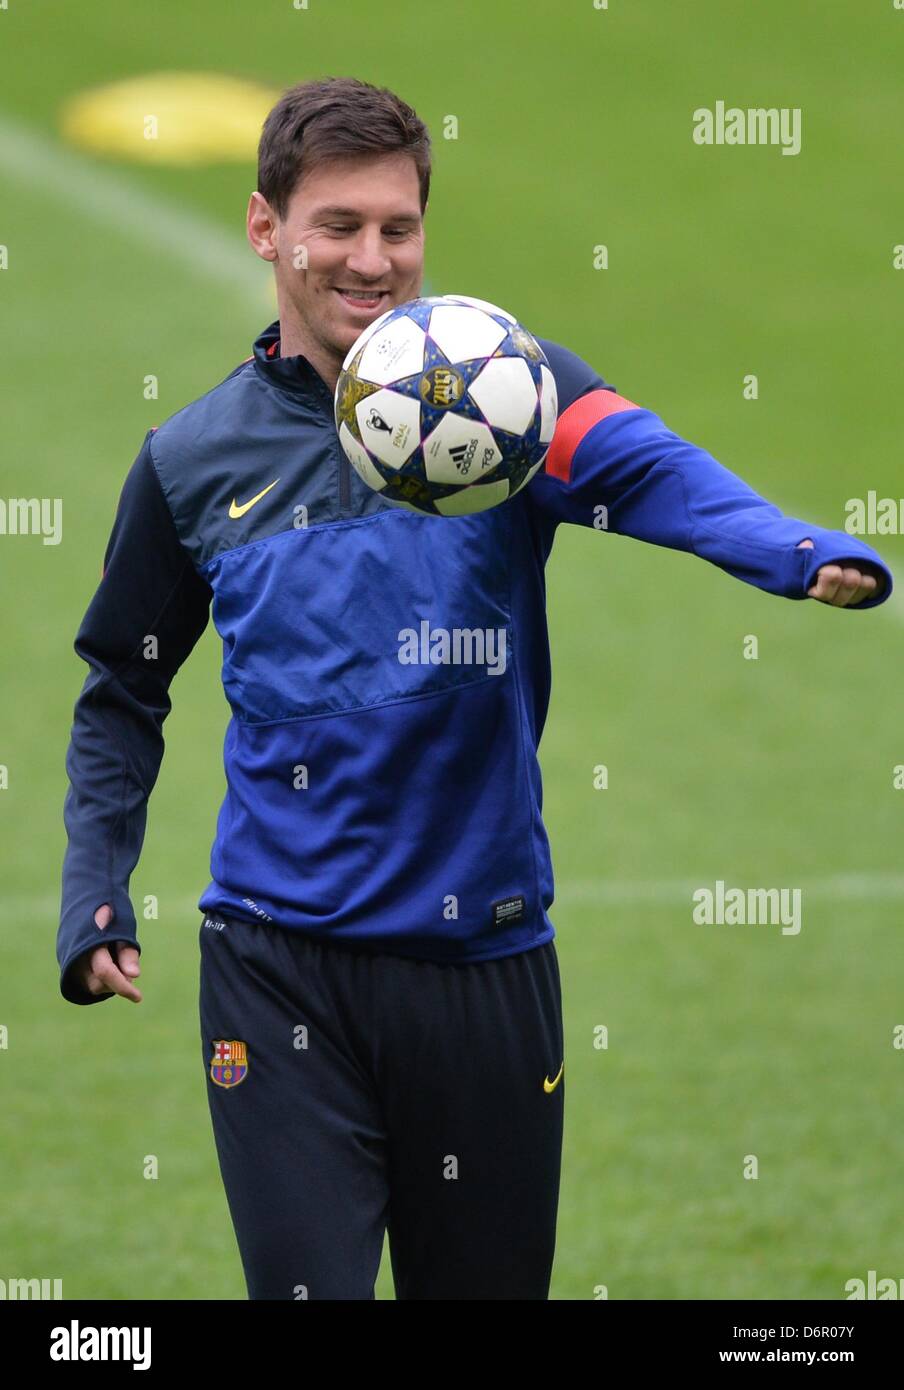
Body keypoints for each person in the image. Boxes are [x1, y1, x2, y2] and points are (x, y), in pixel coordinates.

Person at [56, 76, 893, 1301]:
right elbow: (121, 690)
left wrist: (793, 548)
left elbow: (645, 465)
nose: (371, 258)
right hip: (277, 964)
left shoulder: (498, 386)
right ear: (264, 228)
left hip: (483, 966)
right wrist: (95, 894)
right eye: (337, 225)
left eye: (398, 227)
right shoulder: (191, 461)